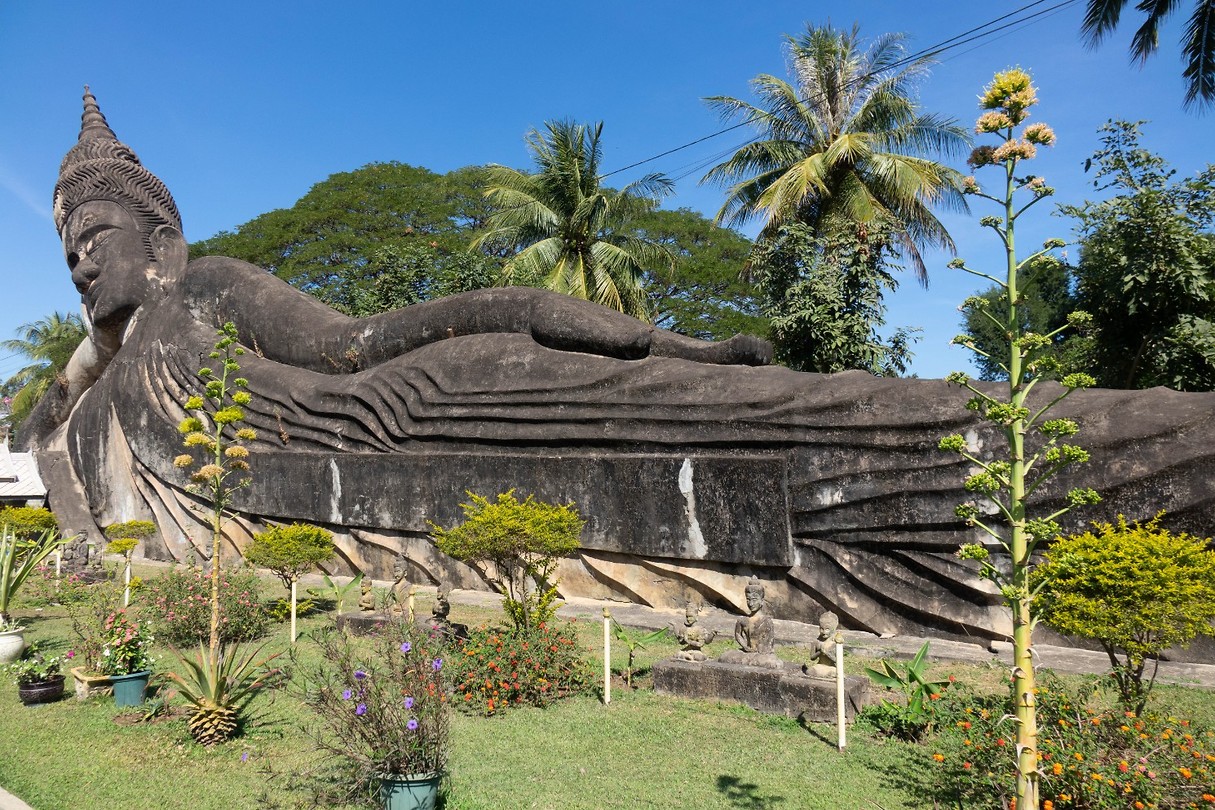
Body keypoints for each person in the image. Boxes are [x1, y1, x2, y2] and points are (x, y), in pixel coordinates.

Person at [27, 89, 1215, 646]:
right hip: (417, 463)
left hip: (444, 400)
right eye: (67, 253)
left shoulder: (213, 288)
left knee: (770, 411)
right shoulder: (90, 397)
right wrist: (64, 407)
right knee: (784, 436)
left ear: (161, 239)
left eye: (96, 242)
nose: (83, 269)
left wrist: (659, 334)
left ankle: (1124, 434)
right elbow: (62, 445)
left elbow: (360, 345)